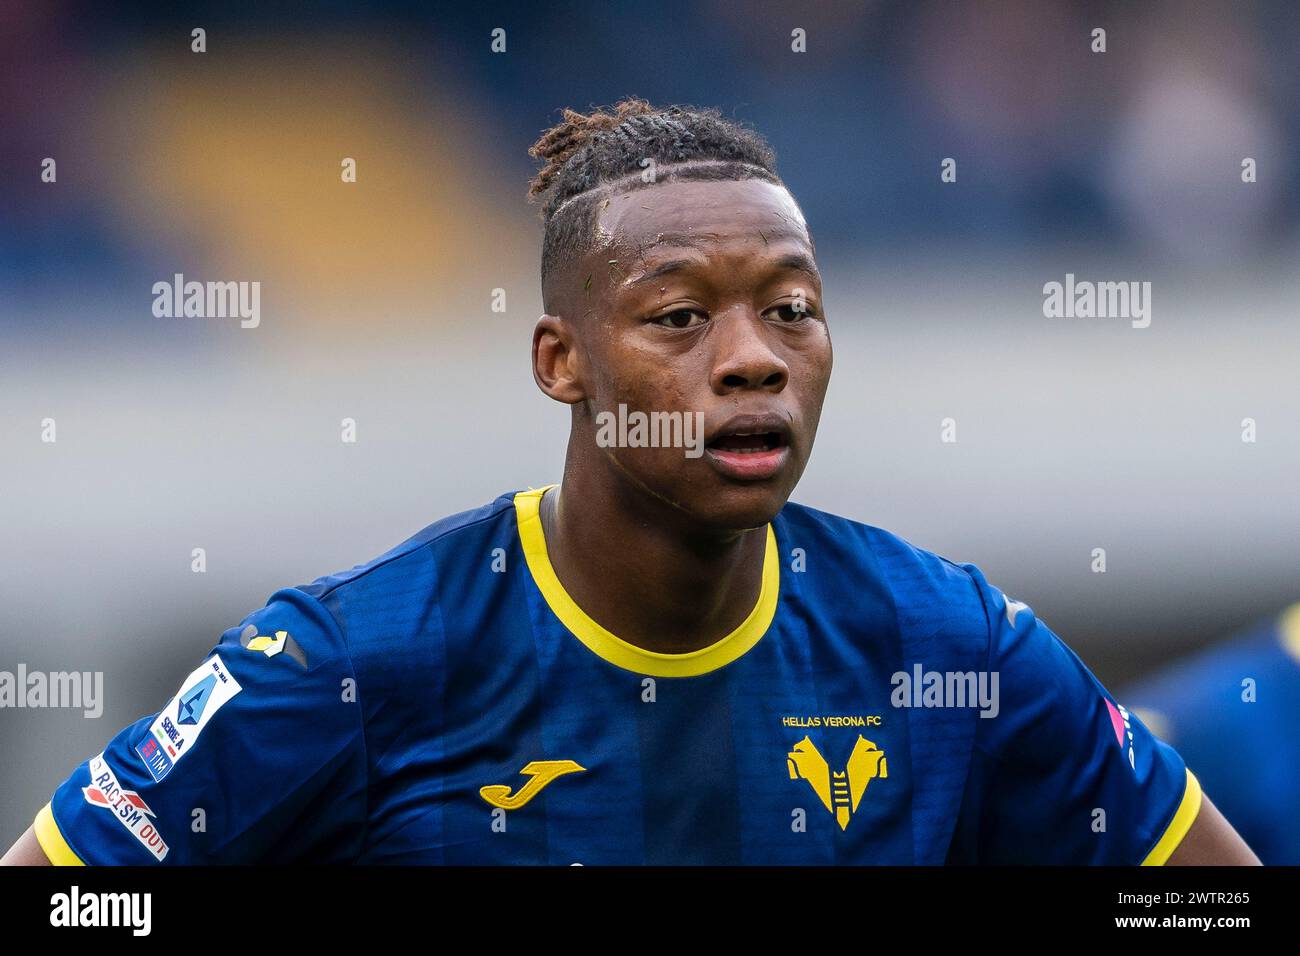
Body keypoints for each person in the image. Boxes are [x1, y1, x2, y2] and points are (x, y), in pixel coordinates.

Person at [2, 99, 1258, 865]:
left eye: (791, 309)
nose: (753, 359)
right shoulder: (351, 660)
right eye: (678, 317)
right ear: (562, 362)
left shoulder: (949, 644)